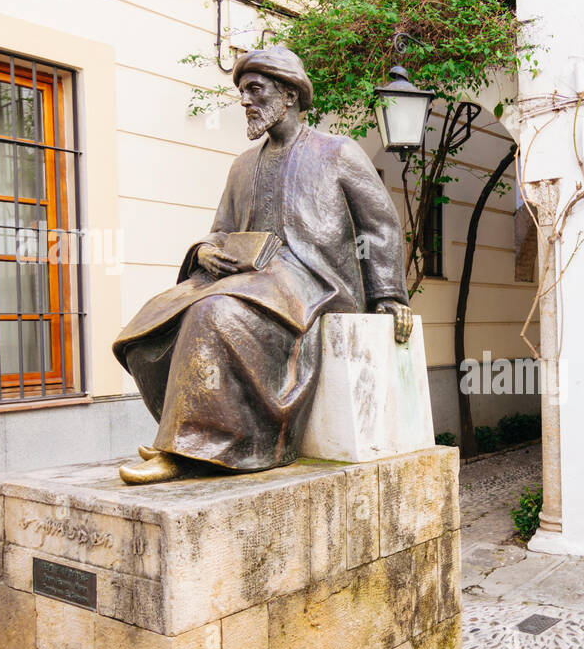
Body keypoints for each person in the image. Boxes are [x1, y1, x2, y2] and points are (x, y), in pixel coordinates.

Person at [112, 47, 413, 484]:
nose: (245, 101)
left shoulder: (338, 152)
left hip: (314, 282)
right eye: (242, 92)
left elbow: (381, 225)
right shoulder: (241, 166)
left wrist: (387, 295)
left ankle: (190, 448)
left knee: (213, 314)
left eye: (255, 90)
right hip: (250, 278)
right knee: (150, 324)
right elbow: (220, 229)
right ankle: (187, 432)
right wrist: (203, 252)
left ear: (288, 94)